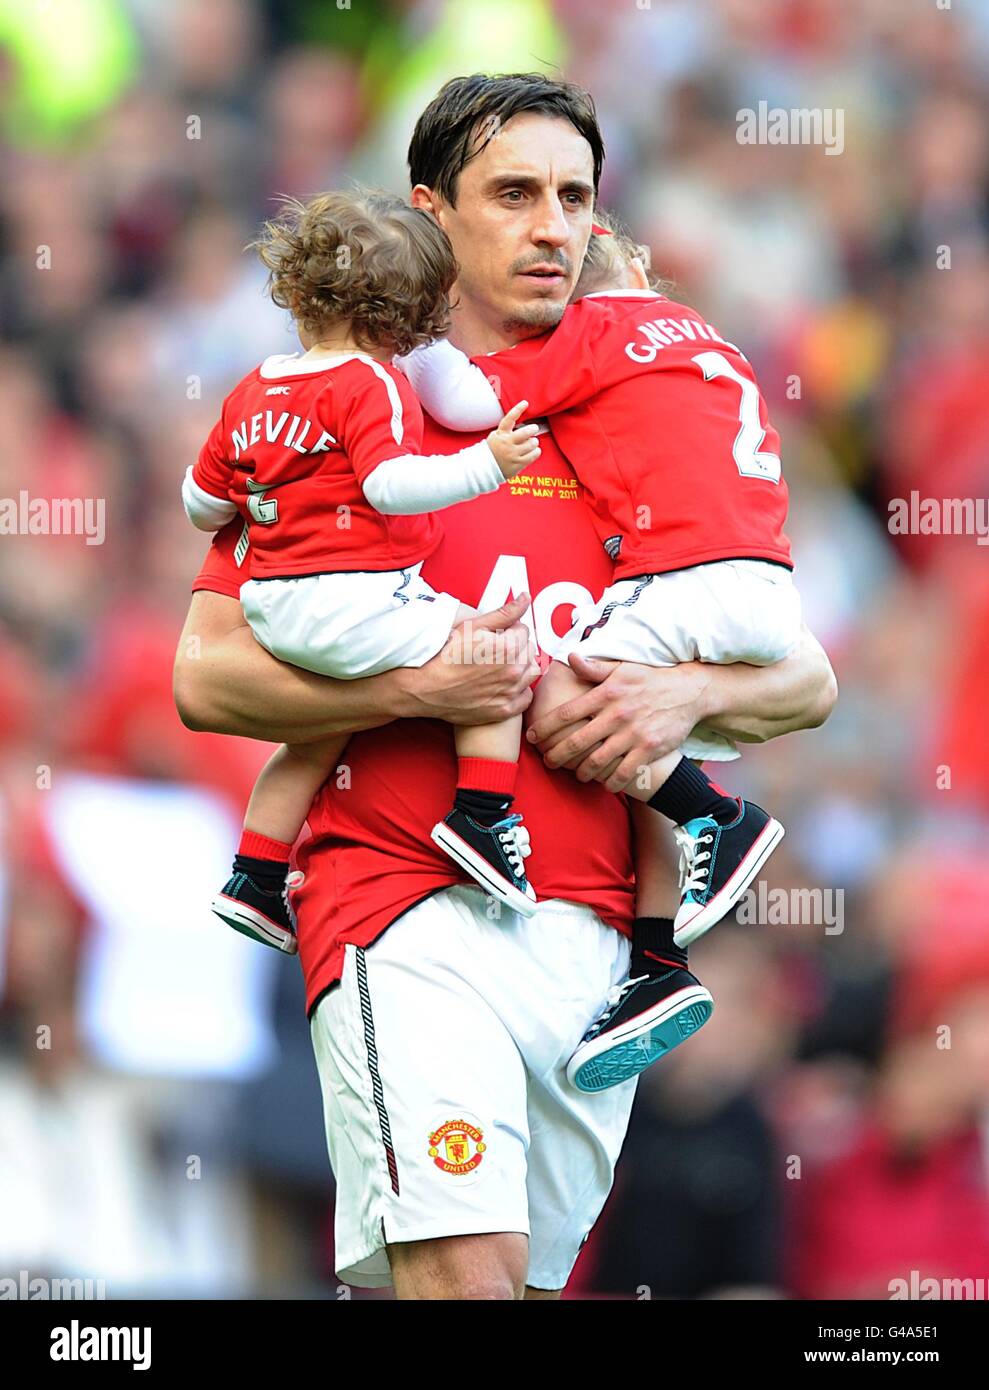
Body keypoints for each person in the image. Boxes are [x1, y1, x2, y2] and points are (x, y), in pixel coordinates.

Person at [173, 72, 837, 1300]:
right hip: (401, 892)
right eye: (514, 193)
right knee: (465, 1276)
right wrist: (428, 682)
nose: (551, 226)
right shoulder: (351, 403)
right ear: (431, 211)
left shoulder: (642, 399)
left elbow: (803, 678)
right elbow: (206, 676)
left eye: (574, 197)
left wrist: (678, 696)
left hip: (594, 940)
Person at [396, 208, 803, 1092]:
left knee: (550, 681)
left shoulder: (594, 329)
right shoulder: (703, 337)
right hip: (762, 582)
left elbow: (472, 400)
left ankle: (715, 822)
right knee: (648, 737)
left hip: (682, 571)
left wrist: (405, 350)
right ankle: (656, 968)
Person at [181, 188, 544, 952]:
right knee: (495, 661)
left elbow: (201, 502)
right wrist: (489, 464)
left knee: (314, 741)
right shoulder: (370, 382)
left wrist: (262, 499)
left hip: (275, 612)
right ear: (399, 321)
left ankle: (253, 875)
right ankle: (480, 821)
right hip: (353, 600)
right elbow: (387, 485)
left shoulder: (257, 385)